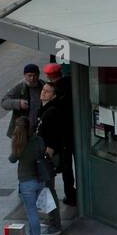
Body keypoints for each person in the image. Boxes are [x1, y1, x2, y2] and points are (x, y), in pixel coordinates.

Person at [8, 115, 47, 235]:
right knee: (34, 210)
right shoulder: (37, 140)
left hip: (26, 182)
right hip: (40, 180)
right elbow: (44, 152)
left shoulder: (19, 143)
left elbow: (12, 159)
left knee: (31, 212)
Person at [37, 83, 71, 226]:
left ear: (54, 95)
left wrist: (47, 155)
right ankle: (52, 219)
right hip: (46, 154)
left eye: (48, 91)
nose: (44, 93)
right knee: (47, 188)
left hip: (47, 157)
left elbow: (53, 136)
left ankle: (54, 221)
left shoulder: (51, 112)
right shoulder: (46, 109)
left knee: (48, 188)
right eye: (43, 90)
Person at [42, 63, 75, 206]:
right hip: (75, 129)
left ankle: (70, 194)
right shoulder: (71, 83)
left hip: (63, 136)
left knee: (66, 165)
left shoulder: (54, 98)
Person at [2, 63, 43, 132]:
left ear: (38, 75)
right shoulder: (19, 88)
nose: (32, 78)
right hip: (22, 128)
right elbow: (4, 102)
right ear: (25, 75)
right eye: (29, 76)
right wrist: (18, 103)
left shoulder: (43, 85)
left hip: (38, 125)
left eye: (35, 75)